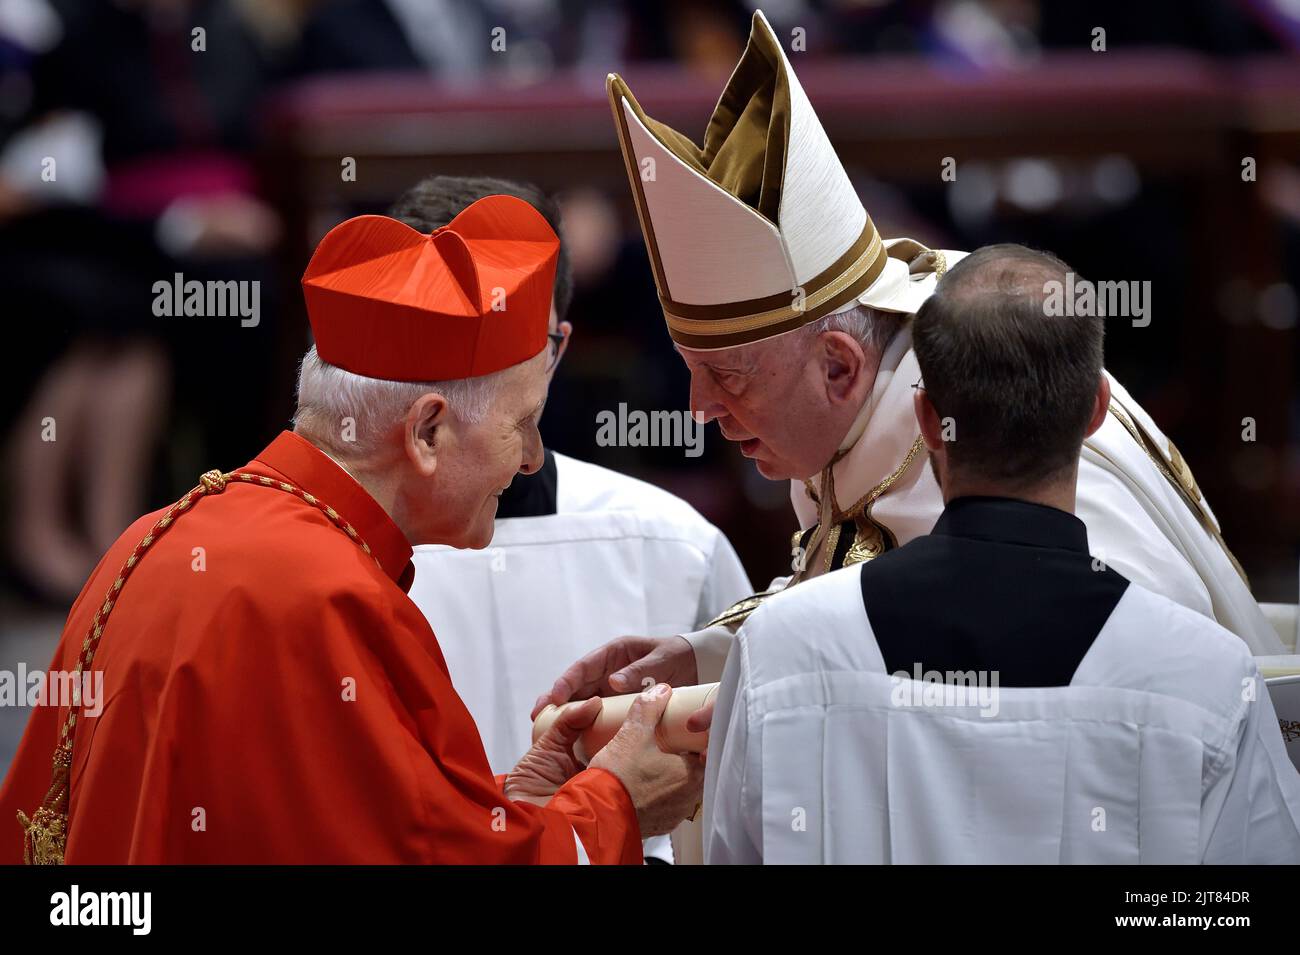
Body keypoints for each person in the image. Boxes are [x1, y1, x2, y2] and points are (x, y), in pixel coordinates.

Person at [533, 8, 1286, 726]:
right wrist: (706, 659)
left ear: (839, 364)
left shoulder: (993, 421)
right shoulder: (857, 404)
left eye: (728, 376)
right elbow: (856, 610)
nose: (698, 408)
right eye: (691, 370)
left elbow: (1126, 702)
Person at [0, 195, 702, 864]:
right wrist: (613, 805)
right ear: (426, 430)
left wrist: (513, 802)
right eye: (522, 422)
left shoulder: (153, 536)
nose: (531, 457)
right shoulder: (329, 599)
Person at [704, 244, 1300, 863]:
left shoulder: (779, 657)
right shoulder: (1208, 678)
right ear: (1098, 410)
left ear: (927, 420)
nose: (700, 408)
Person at [391, 176, 752, 864]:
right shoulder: (329, 556)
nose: (469, 388)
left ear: (556, 348)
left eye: (502, 353)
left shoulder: (674, 545)